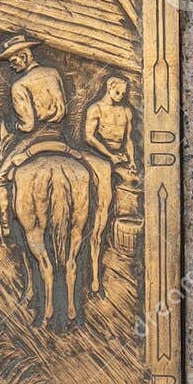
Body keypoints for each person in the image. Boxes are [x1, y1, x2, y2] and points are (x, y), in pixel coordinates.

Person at [0, 34, 68, 232]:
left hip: (36, 138)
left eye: (13, 60)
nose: (11, 65)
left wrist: (15, 128)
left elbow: (28, 125)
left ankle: (5, 227)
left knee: (0, 179)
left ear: (25, 56)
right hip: (59, 135)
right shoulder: (53, 73)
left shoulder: (19, 86)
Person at [82, 73, 135, 275]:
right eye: (118, 92)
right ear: (109, 87)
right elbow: (89, 137)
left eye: (123, 93)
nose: (121, 96)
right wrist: (110, 155)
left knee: (134, 183)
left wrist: (131, 161)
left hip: (119, 157)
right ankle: (97, 234)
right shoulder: (95, 109)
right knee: (103, 192)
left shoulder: (126, 111)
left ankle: (122, 238)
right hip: (98, 156)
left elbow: (128, 140)